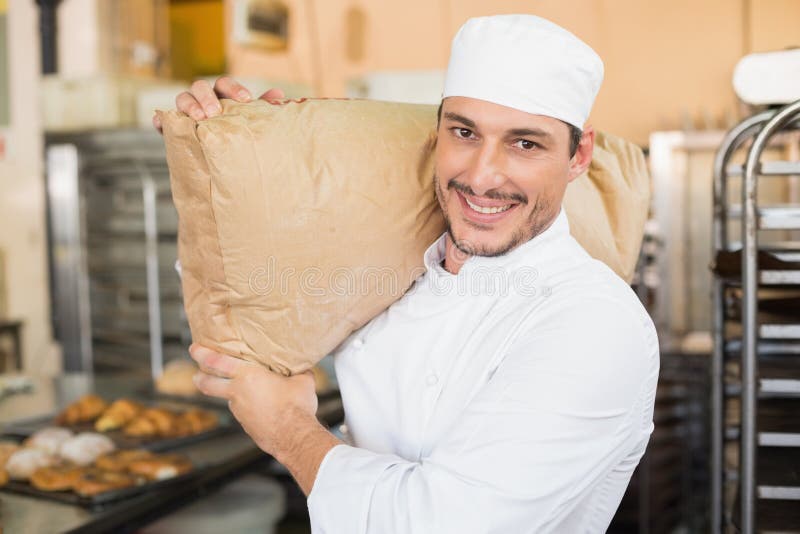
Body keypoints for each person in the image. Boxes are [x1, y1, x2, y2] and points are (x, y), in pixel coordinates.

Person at [162, 15, 659, 533]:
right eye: (464, 133)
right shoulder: (401, 268)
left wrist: (288, 430)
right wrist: (233, 156)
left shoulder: (598, 323)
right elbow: (253, 286)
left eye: (525, 144)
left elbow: (443, 524)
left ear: (579, 156)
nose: (481, 176)